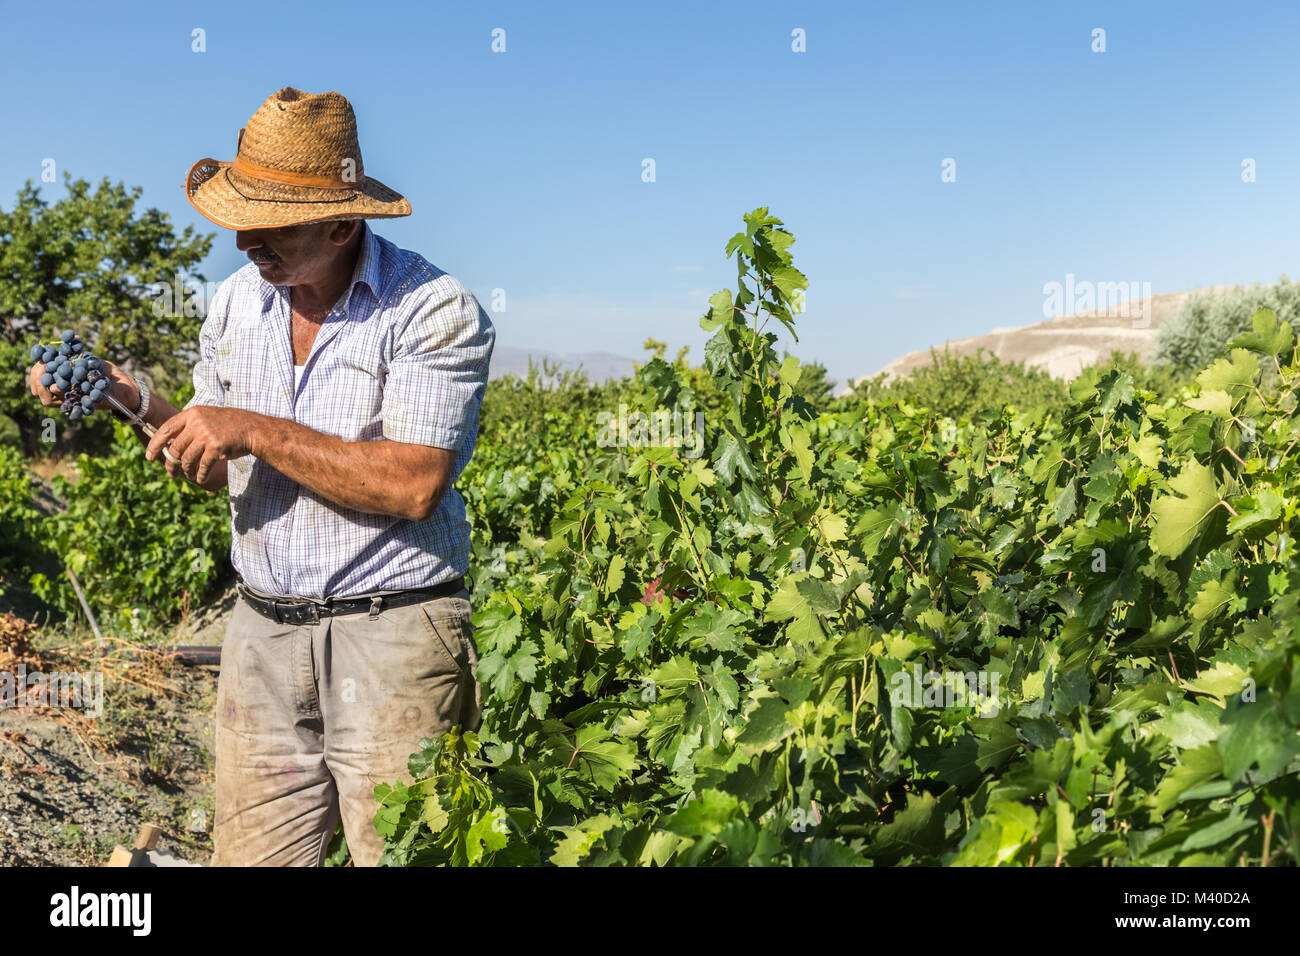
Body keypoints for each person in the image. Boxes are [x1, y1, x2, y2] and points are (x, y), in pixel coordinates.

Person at [28, 86, 495, 866]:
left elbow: (414, 483)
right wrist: (127, 395)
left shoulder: (432, 310)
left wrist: (252, 428)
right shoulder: (236, 306)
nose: (247, 242)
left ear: (344, 222)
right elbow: (216, 462)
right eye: (241, 220)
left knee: (407, 856)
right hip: (262, 638)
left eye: (271, 226)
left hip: (394, 639)